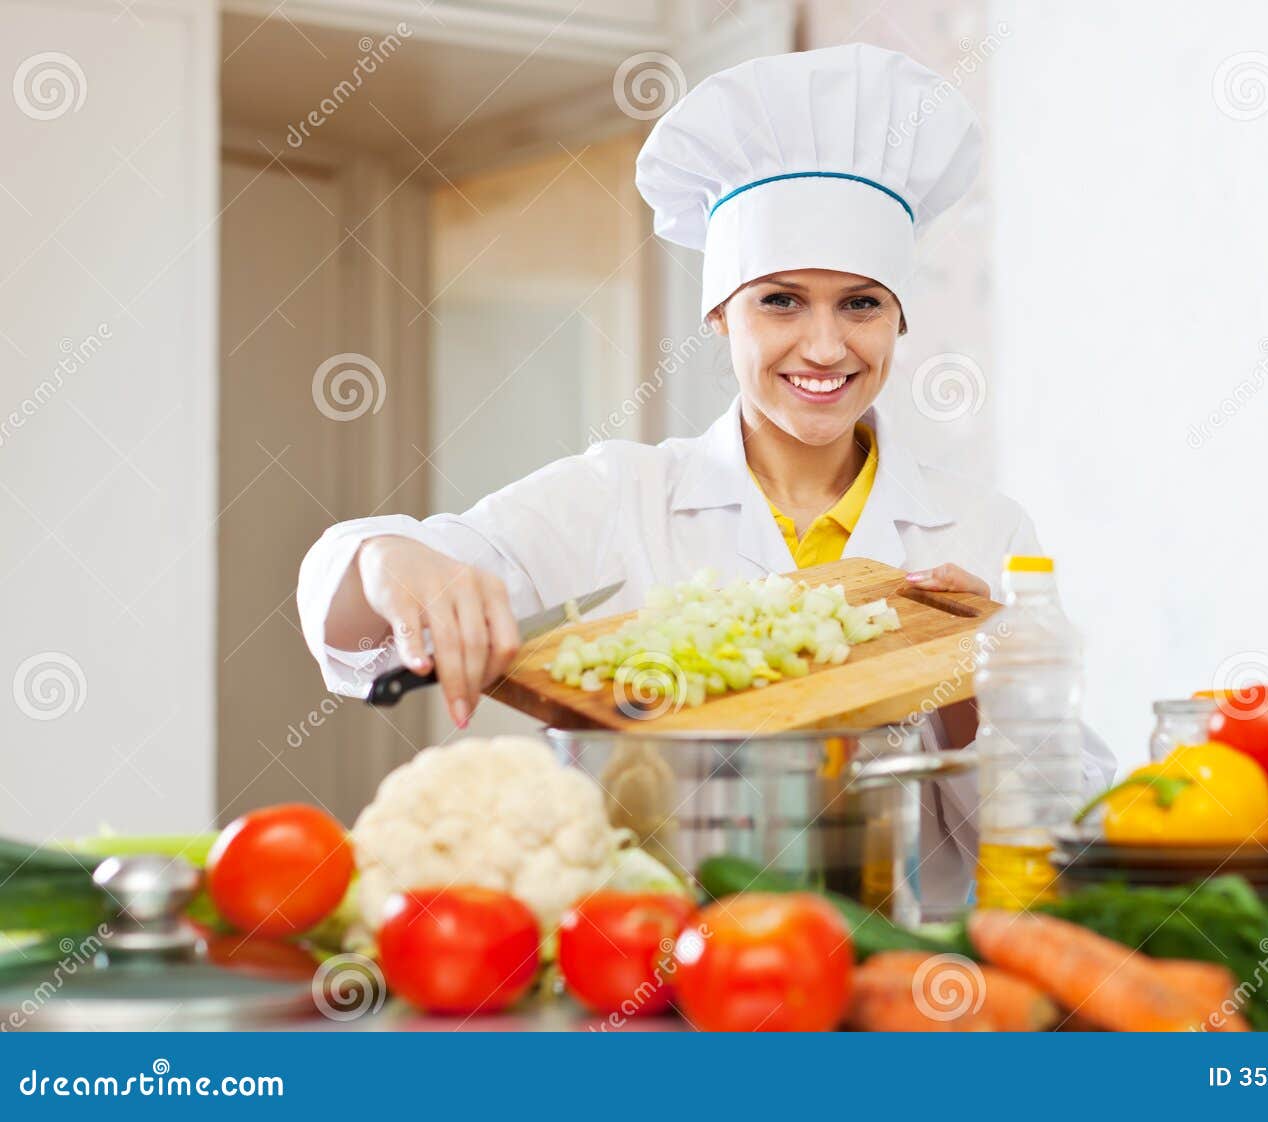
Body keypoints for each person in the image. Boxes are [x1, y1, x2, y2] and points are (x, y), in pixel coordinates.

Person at [296, 43, 1115, 913]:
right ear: (720, 314)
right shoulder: (622, 493)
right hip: (643, 967)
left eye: (861, 304)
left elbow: (1060, 840)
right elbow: (364, 619)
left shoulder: (981, 530)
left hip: (898, 976)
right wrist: (383, 559)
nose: (827, 346)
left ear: (899, 317)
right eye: (782, 300)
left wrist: (966, 680)